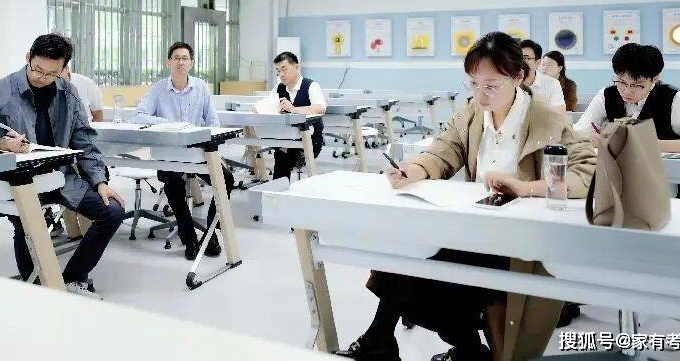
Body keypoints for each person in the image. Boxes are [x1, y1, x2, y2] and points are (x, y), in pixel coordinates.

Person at [335, 32, 596, 361]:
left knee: (424, 275)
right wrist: (412, 170)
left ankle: (443, 347)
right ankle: (405, 342)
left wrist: (527, 188)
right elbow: (444, 151)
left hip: (521, 237)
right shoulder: (473, 112)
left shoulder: (545, 118)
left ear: (519, 77)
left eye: (491, 85)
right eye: (473, 83)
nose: (480, 93)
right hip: (477, 227)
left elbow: (588, 171)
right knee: (403, 257)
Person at [0, 33, 124, 298]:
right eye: (37, 70)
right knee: (27, 222)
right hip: (19, 180)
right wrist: (2, 143)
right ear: (28, 58)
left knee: (112, 211)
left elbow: (85, 141)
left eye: (51, 73)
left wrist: (100, 182)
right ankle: (36, 294)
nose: (42, 78)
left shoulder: (69, 93)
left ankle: (72, 278)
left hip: (59, 177)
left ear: (64, 69)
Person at [133, 41, 231, 260]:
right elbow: (138, 115)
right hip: (169, 153)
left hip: (198, 152)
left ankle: (211, 234)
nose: (180, 62)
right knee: (173, 183)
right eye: (176, 58)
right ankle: (189, 238)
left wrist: (214, 150)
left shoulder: (201, 87)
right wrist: (167, 123)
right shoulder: (159, 88)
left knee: (227, 178)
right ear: (168, 62)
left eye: (185, 58)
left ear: (191, 63)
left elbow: (213, 121)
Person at [574, 43, 680, 159]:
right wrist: (591, 139)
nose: (627, 91)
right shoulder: (606, 95)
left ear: (655, 79)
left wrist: (653, 145)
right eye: (621, 82)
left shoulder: (676, 99)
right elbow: (577, 133)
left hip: (665, 181)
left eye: (637, 85)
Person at [254, 51, 326, 181]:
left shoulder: (311, 86)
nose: (281, 74)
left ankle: (281, 185)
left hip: (310, 139)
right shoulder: (279, 88)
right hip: (286, 137)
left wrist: (293, 109)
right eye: (278, 71)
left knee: (282, 156)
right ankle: (279, 187)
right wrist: (259, 108)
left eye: (284, 69)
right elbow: (268, 104)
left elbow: (320, 108)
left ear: (297, 67)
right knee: (281, 153)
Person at [519, 39, 566, 113]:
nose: (521, 62)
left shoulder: (552, 84)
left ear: (538, 62)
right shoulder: (508, 82)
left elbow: (559, 113)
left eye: (526, 58)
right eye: (518, 57)